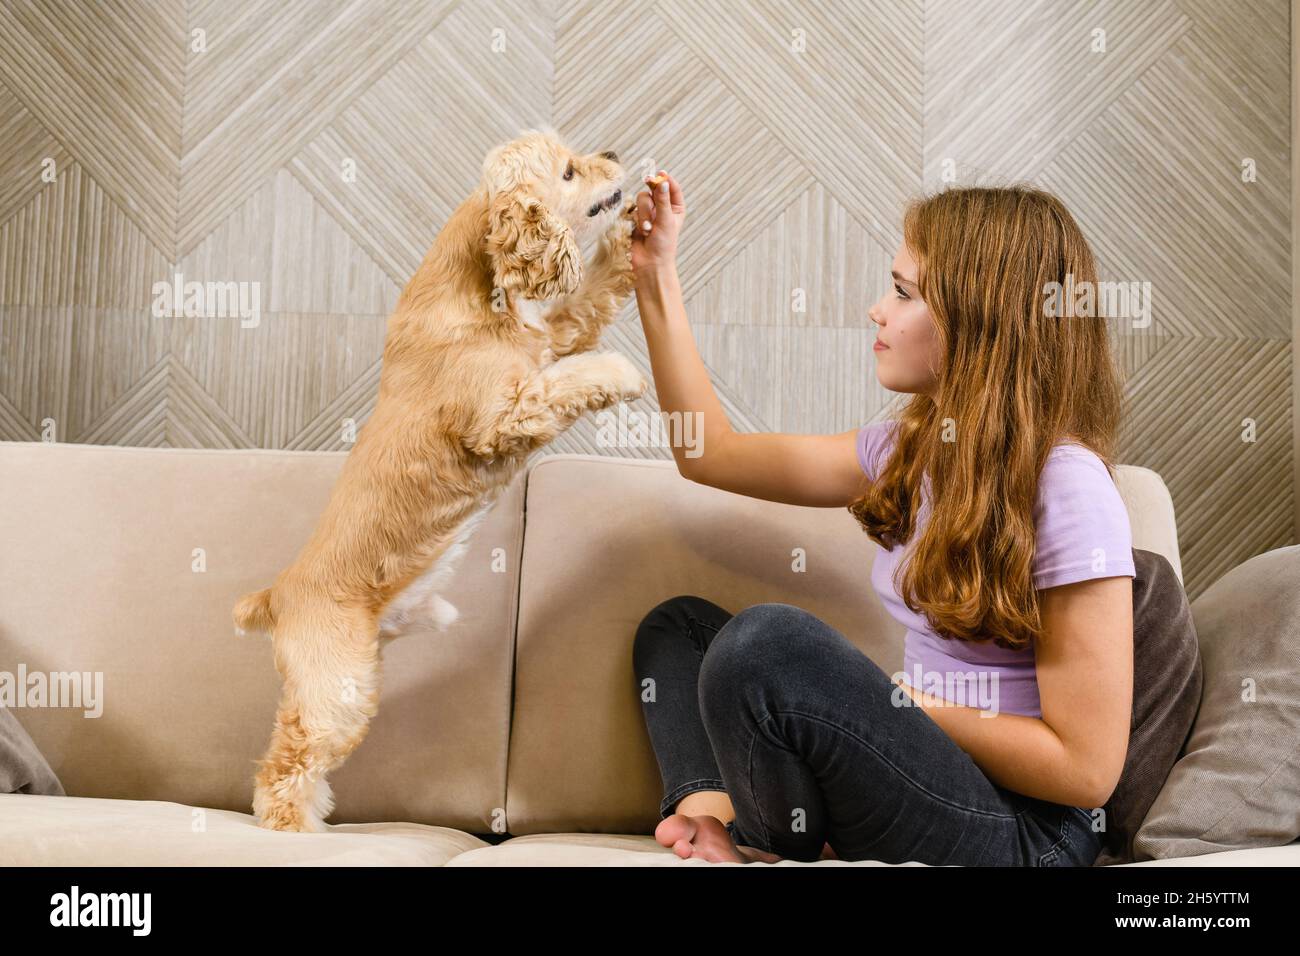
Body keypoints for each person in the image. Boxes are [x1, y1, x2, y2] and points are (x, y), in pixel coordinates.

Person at [627, 172, 1133, 866]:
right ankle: (714, 815)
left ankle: (766, 834)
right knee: (681, 627)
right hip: (928, 773)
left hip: (1025, 834)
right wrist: (656, 276)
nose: (875, 311)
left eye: (902, 292)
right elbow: (707, 452)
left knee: (763, 645)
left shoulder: (1069, 487)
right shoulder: (907, 451)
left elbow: (1086, 772)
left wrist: (898, 702)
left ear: (976, 318)